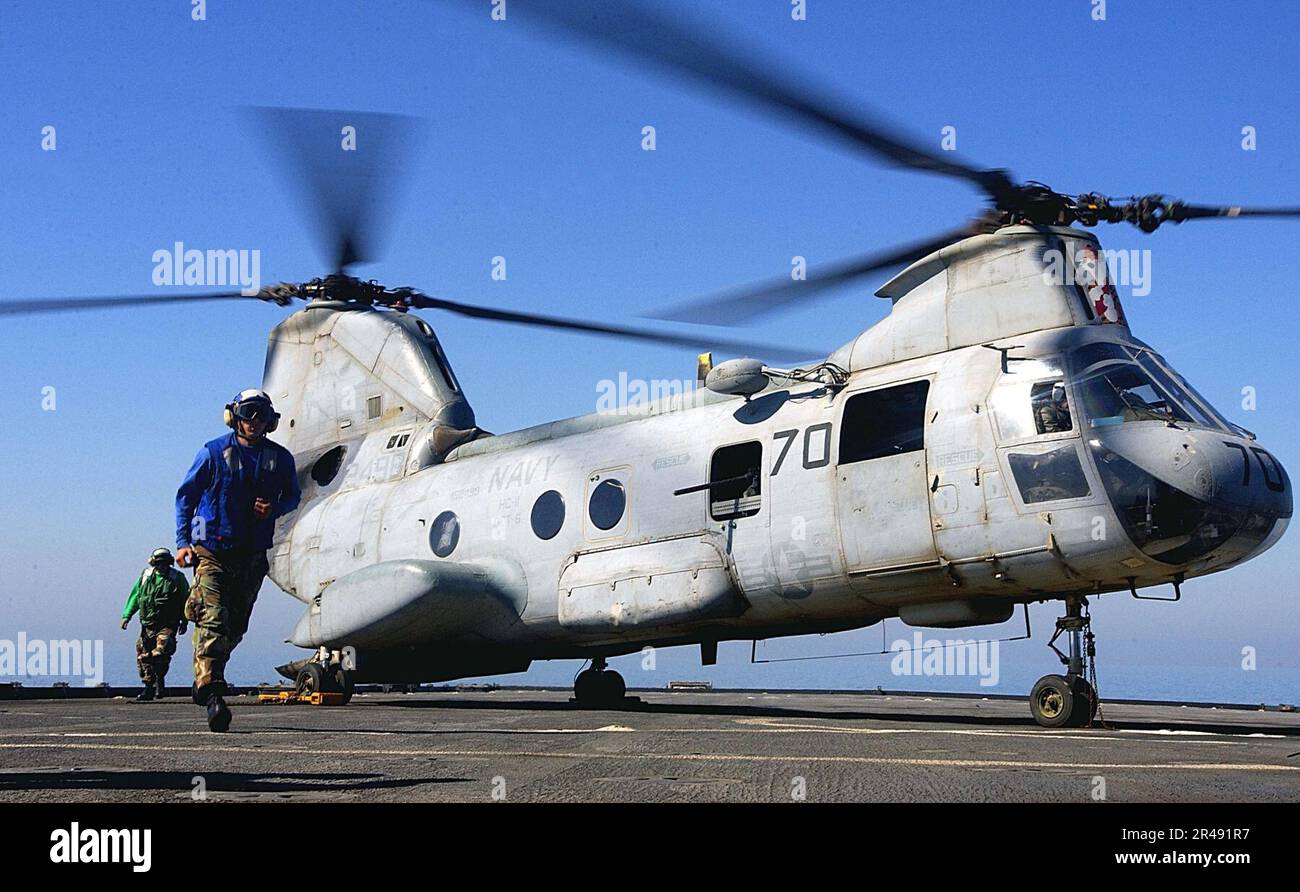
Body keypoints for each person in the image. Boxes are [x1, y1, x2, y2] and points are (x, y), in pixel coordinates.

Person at [175, 389, 301, 732]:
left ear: (270, 419)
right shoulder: (213, 453)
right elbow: (186, 497)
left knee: (235, 627)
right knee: (214, 618)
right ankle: (212, 689)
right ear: (235, 416)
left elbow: (293, 496)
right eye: (248, 412)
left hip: (252, 554)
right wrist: (183, 543)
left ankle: (206, 673)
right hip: (212, 551)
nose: (254, 420)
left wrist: (274, 508)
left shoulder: (280, 459)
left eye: (261, 414)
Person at [120, 547, 189, 701]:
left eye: (165, 564)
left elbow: (186, 600)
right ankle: (149, 687)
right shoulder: (146, 577)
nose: (162, 567)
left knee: (161, 652)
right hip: (147, 624)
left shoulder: (177, 578)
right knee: (143, 654)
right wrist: (127, 616)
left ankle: (160, 682)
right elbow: (136, 597)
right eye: (159, 564)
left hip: (168, 624)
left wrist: (185, 621)